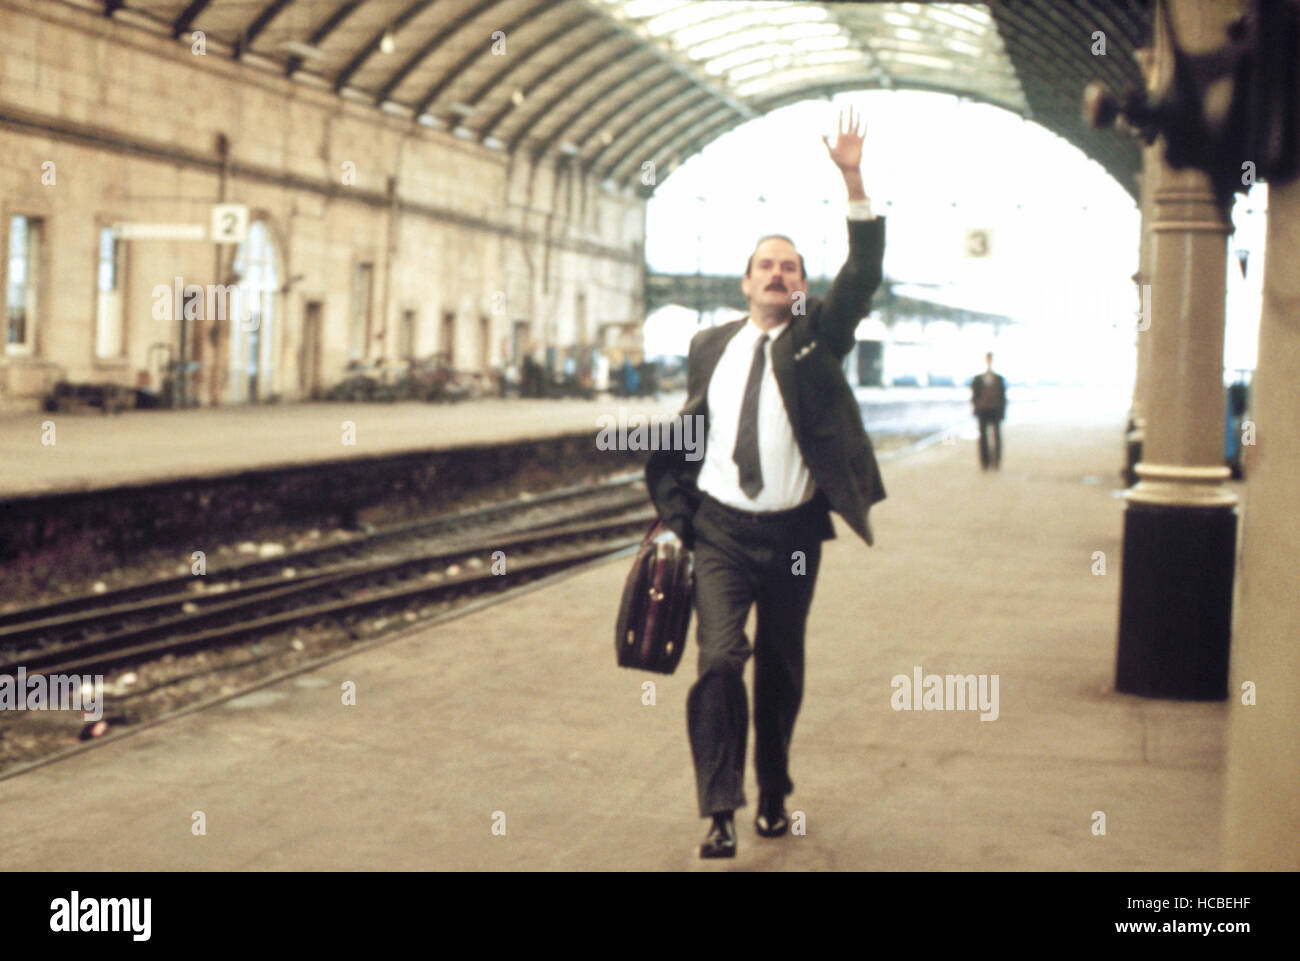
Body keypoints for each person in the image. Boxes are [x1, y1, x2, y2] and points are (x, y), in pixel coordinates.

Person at [645, 107, 886, 859]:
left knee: (780, 665)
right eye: (765, 265)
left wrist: (851, 178)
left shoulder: (818, 336)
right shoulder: (708, 343)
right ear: (745, 282)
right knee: (718, 659)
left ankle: (775, 787)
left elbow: (864, 273)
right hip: (719, 529)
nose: (777, 273)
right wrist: (675, 510)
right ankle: (720, 806)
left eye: (790, 266)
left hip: (790, 538)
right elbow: (696, 427)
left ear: (802, 286)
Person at [971, 352, 1006, 470]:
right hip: (983, 410)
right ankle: (984, 462)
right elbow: (974, 395)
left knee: (996, 437)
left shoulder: (999, 379)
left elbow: (1003, 396)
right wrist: (976, 407)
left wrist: (1002, 411)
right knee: (983, 438)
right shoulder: (977, 379)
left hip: (995, 410)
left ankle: (996, 461)